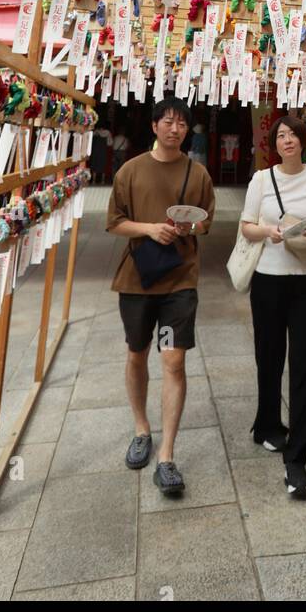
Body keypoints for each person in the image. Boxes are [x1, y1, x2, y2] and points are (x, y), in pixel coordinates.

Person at [107, 96, 215, 496]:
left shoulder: (197, 172)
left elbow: (205, 220)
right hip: (137, 281)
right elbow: (115, 223)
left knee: (173, 360)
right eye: (167, 122)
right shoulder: (130, 171)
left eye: (182, 124)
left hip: (179, 282)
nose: (175, 129)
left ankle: (167, 456)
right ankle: (141, 429)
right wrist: (150, 229)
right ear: (154, 127)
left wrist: (189, 230)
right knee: (137, 352)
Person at [239, 115, 306, 499]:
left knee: (304, 361)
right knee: (269, 355)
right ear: (274, 143)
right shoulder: (261, 180)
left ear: (303, 140)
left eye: (293, 134)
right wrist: (270, 232)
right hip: (268, 278)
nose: (287, 140)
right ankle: (266, 425)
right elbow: (246, 225)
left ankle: (300, 448)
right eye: (280, 135)